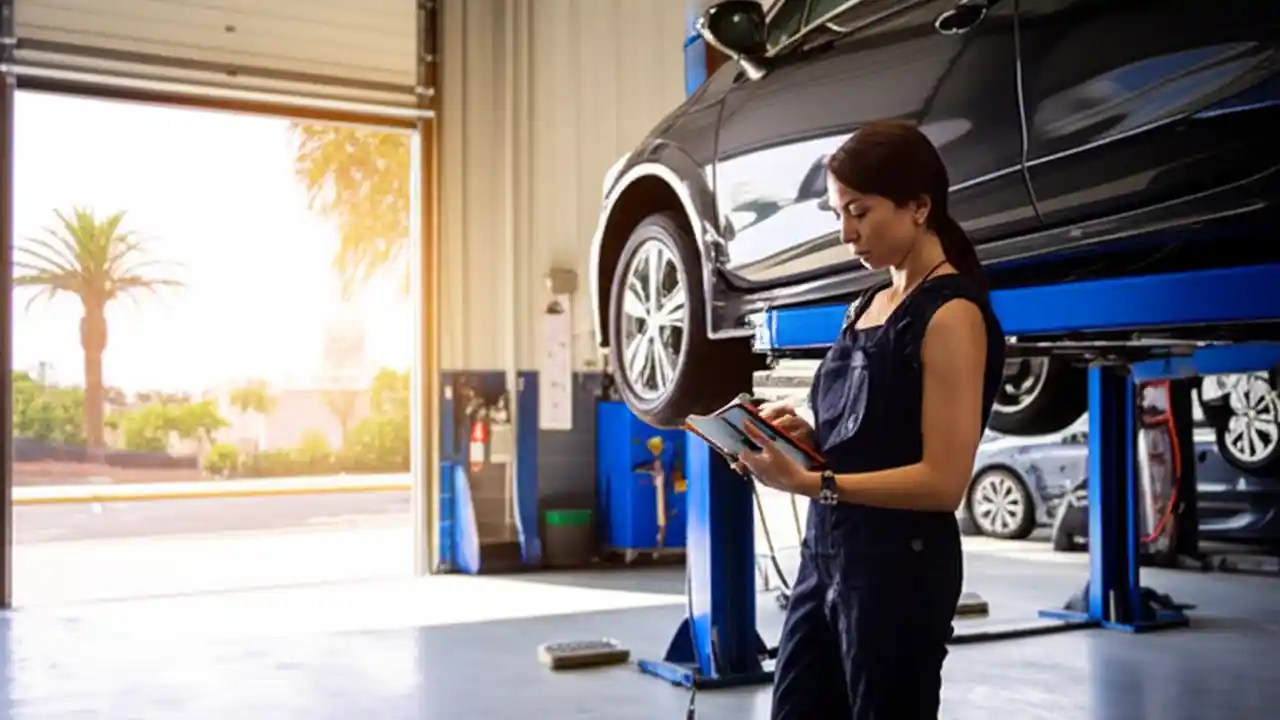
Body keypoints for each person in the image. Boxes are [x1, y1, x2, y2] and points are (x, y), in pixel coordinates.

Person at [733, 119, 1007, 719]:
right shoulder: (867, 305)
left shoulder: (952, 314)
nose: (846, 232)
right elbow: (868, 436)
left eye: (859, 211)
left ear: (918, 207)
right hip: (828, 556)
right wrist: (806, 441)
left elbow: (941, 483)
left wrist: (812, 484)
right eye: (838, 214)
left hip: (899, 569)